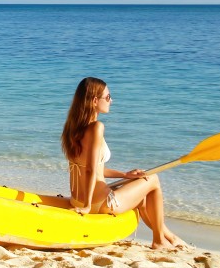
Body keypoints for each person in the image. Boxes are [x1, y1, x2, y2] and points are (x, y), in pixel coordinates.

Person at [61, 76, 184, 249]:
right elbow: (89, 170)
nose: (111, 101)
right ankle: (158, 241)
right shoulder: (96, 127)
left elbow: (95, 169)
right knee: (153, 179)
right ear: (95, 101)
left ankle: (170, 237)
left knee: (141, 198)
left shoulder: (72, 129)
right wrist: (88, 207)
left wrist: (125, 175)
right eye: (108, 97)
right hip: (98, 203)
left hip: (76, 200)